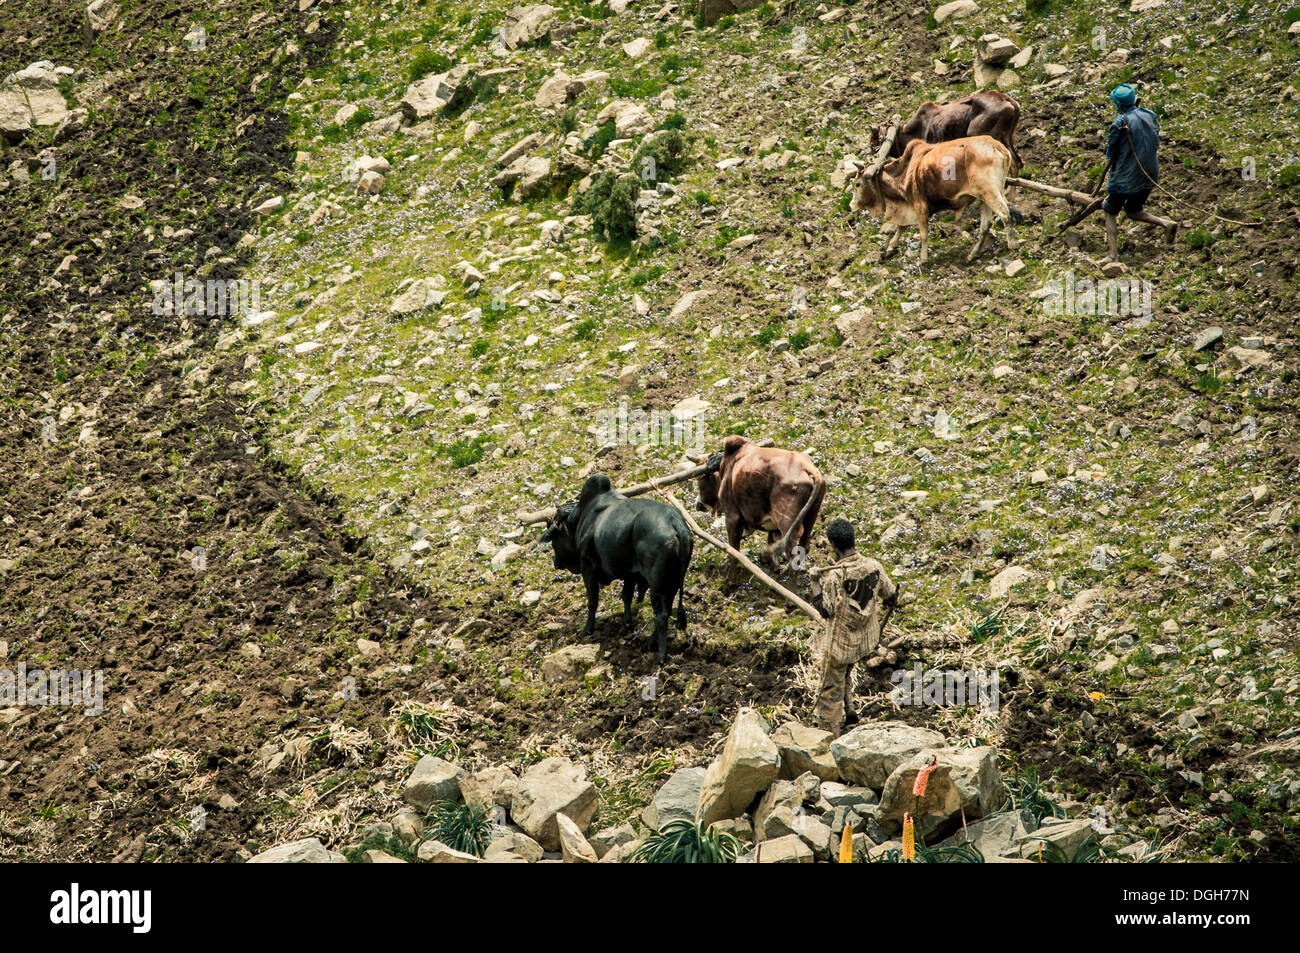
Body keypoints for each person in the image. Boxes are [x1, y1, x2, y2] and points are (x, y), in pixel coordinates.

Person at [807, 519, 898, 735]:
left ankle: (830, 731)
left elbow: (825, 610)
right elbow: (891, 597)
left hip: (839, 645)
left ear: (833, 545)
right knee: (846, 672)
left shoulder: (836, 576)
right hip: (862, 642)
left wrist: (815, 582)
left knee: (830, 686)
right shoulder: (874, 567)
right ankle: (850, 710)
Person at [1102, 82, 1176, 262]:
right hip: (1150, 173)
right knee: (1133, 210)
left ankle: (1113, 256)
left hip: (1127, 177)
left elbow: (1111, 153)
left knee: (1109, 209)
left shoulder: (1120, 122)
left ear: (1118, 104)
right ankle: (1166, 223)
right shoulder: (1150, 115)